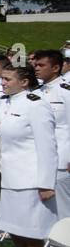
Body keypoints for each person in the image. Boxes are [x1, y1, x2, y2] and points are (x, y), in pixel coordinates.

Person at [0, 64, 58, 247]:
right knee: (17, 234)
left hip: (30, 182)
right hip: (8, 179)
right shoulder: (4, 104)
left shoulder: (36, 105)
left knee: (34, 237)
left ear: (24, 82)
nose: (2, 83)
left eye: (8, 79)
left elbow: (47, 146)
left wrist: (46, 183)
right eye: (2, 79)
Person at [30, 49, 70, 218]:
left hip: (62, 156)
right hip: (39, 156)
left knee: (62, 207)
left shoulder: (66, 92)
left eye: (41, 65)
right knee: (44, 209)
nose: (36, 68)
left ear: (55, 68)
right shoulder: (36, 93)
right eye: (35, 64)